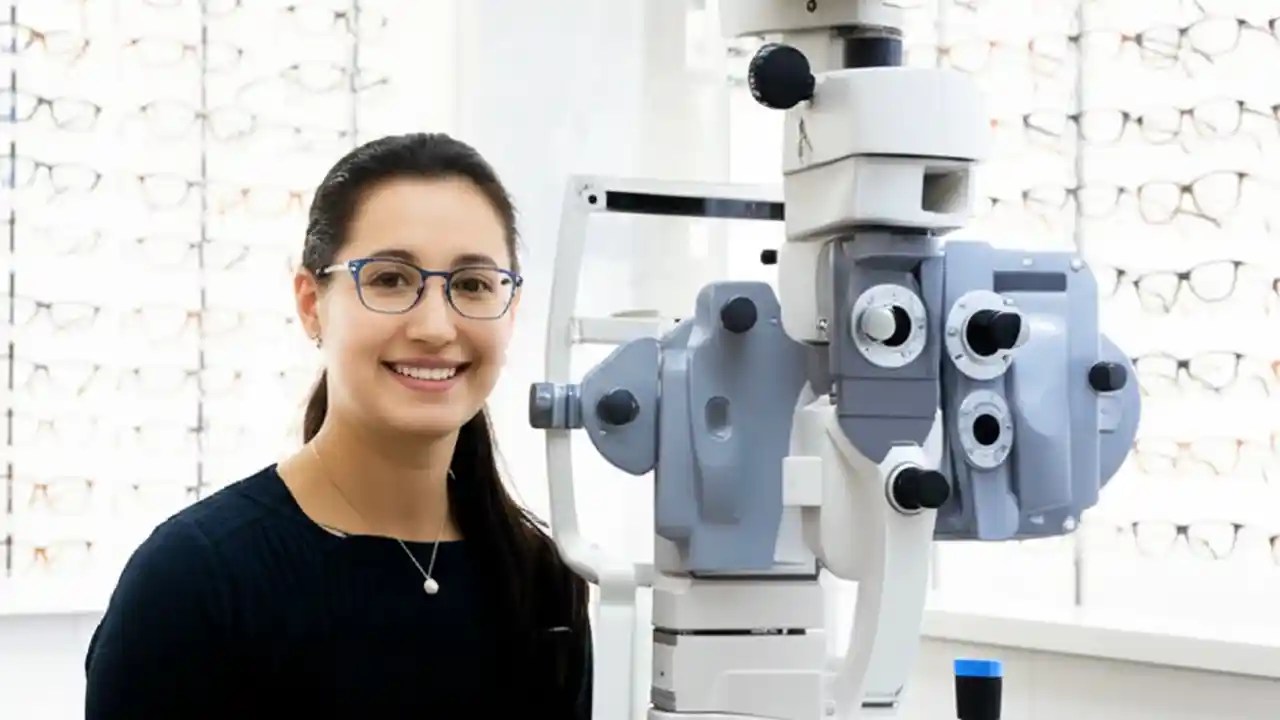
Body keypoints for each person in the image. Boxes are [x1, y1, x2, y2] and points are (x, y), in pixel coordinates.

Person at [83, 133, 593, 718]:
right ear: (311, 303)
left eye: (473, 285)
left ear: (511, 310)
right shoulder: (194, 580)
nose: (434, 326)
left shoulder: (543, 580)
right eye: (390, 279)